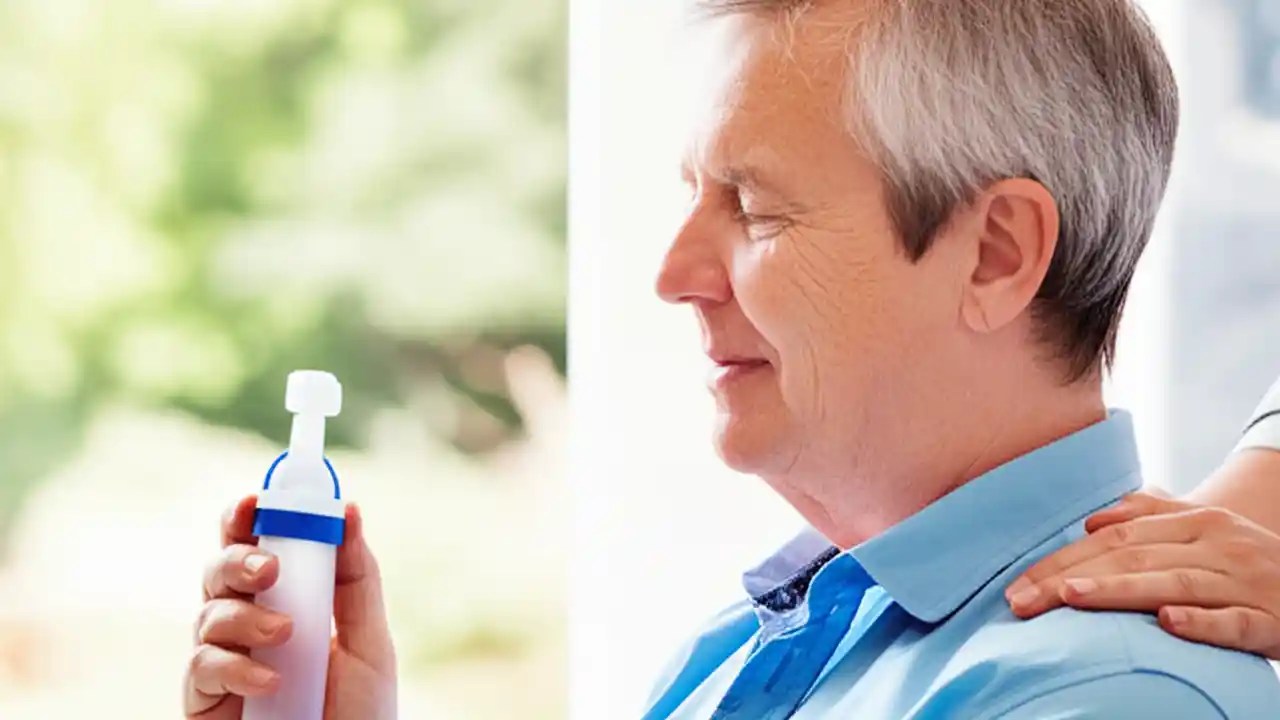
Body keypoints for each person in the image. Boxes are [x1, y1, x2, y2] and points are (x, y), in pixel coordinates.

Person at [180, 3, 1280, 720]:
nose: (671, 271)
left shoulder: (1108, 697)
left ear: (993, 255)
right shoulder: (772, 638)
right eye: (692, 194)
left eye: (752, 207)